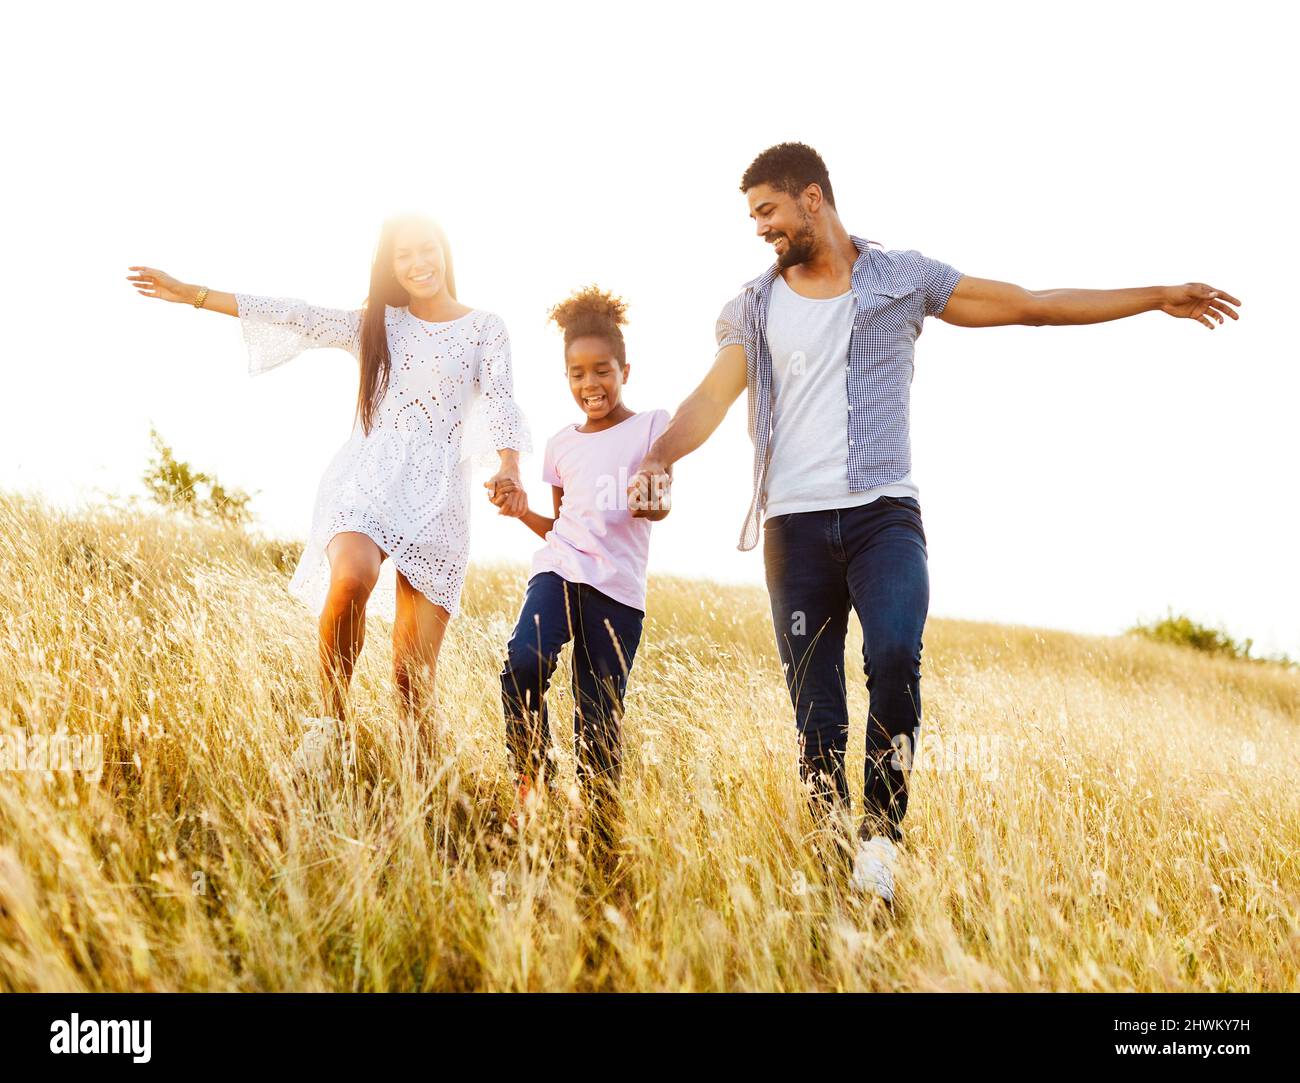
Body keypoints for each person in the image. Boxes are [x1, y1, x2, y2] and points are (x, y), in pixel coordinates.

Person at [627, 142, 1241, 905]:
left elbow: (1032, 305)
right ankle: (829, 863)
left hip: (885, 515)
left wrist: (1154, 295)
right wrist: (660, 454)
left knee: (893, 656)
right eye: (754, 216)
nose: (761, 228)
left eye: (768, 211)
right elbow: (711, 398)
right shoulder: (751, 306)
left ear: (812, 198)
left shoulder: (900, 280)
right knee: (815, 708)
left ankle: (880, 843)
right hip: (795, 528)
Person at [126, 214, 532, 767]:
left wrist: (510, 467)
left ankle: (424, 799)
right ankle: (329, 725)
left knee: (411, 681)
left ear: (445, 250)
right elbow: (295, 314)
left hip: (440, 499)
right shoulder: (377, 325)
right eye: (403, 255)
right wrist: (193, 294)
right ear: (389, 267)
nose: (418, 263)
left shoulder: (486, 327)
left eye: (426, 249)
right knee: (352, 577)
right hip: (369, 478)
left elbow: (504, 402)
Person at [491, 286, 670, 853]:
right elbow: (564, 525)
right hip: (559, 571)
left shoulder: (652, 428)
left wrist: (651, 498)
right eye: (577, 374)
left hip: (617, 592)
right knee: (524, 661)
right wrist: (523, 513)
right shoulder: (558, 445)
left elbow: (661, 505)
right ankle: (532, 780)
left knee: (598, 717)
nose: (590, 385)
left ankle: (597, 834)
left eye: (601, 371)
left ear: (624, 369)